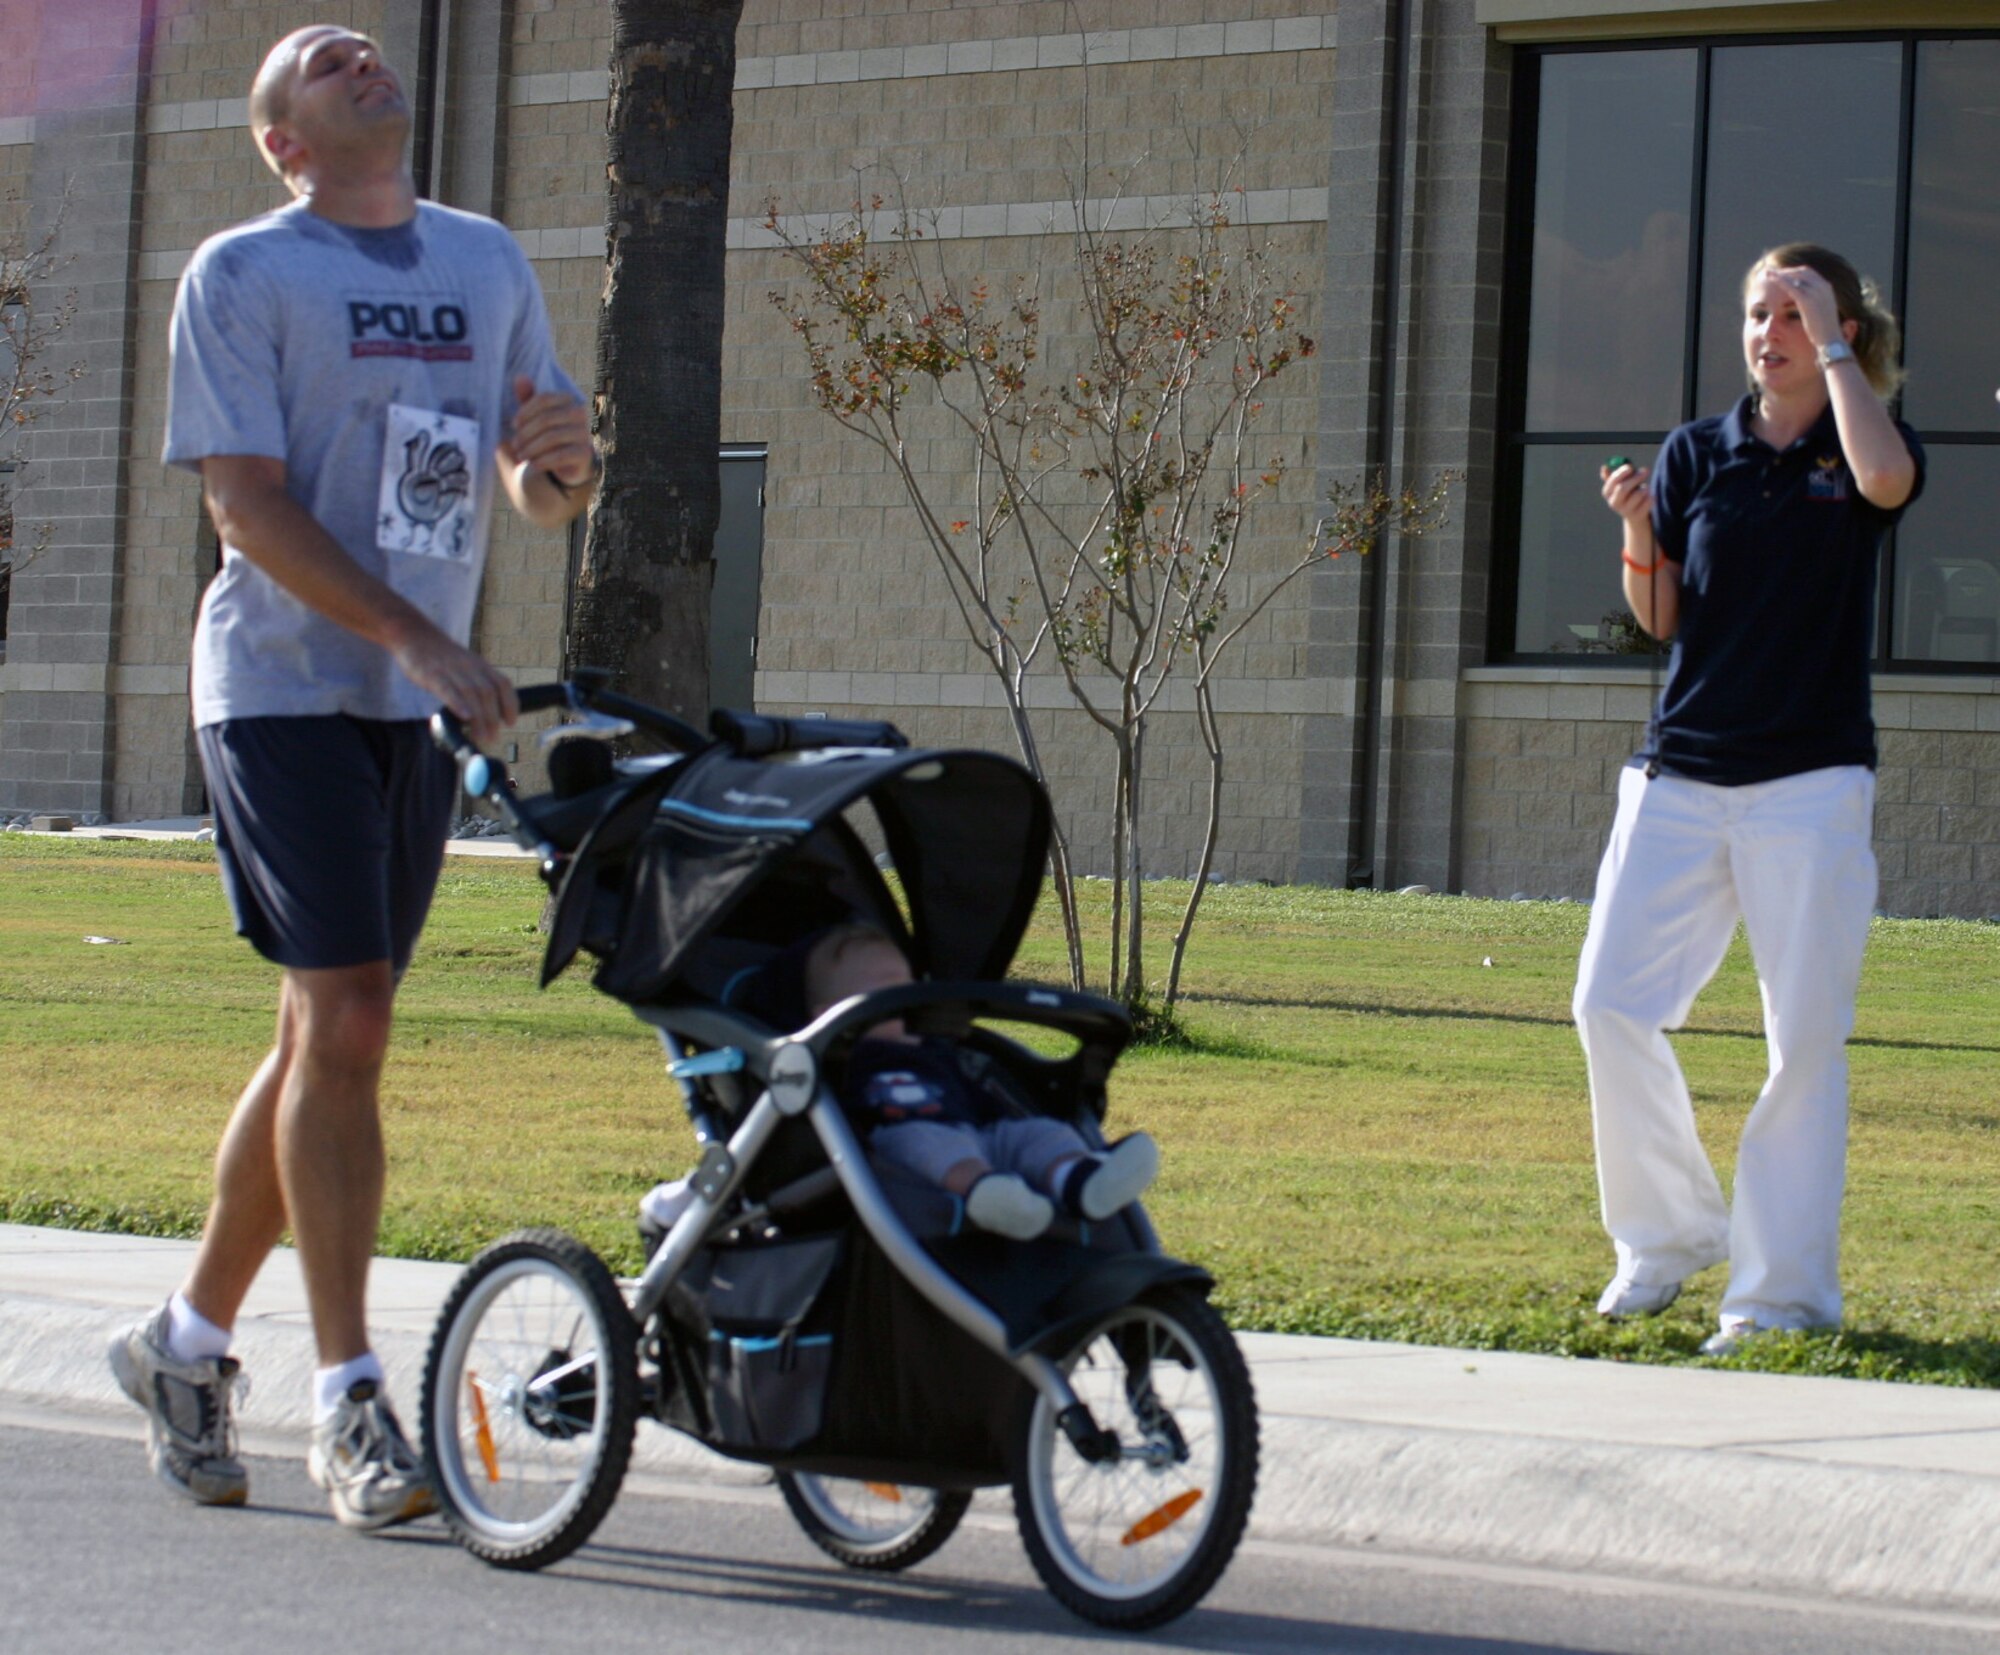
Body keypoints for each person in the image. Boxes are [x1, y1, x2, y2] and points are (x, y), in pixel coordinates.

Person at [107, 25, 597, 1527]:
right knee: (356, 1011)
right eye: (323, 62)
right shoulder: (242, 276)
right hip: (281, 687)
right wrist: (415, 640)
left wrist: (564, 461)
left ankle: (182, 1342)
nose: (363, 55)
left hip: (415, 700)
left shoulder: (486, 255)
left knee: (327, 1032)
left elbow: (530, 472)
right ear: (284, 141)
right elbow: (245, 508)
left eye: (369, 48)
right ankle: (348, 1400)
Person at [1574, 243, 1923, 1357]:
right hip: (1680, 770)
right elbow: (1659, 619)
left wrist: (1832, 349)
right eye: (1754, 312)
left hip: (1809, 782)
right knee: (1607, 1001)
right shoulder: (1695, 451)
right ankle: (1668, 1234)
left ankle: (1775, 1295)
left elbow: (1886, 485)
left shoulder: (1854, 435)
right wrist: (1636, 529)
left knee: (1802, 1039)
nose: (1763, 330)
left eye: (1789, 311)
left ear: (1839, 329)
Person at [803, 924, 1160, 1239]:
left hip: (977, 1134)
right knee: (929, 1142)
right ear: (827, 1018)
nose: (905, 1004)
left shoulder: (936, 1049)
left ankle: (1076, 1178)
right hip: (900, 1141)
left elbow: (973, 1088)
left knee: (1037, 1132)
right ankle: (986, 1192)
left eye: (908, 989)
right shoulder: (844, 1059)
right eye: (885, 996)